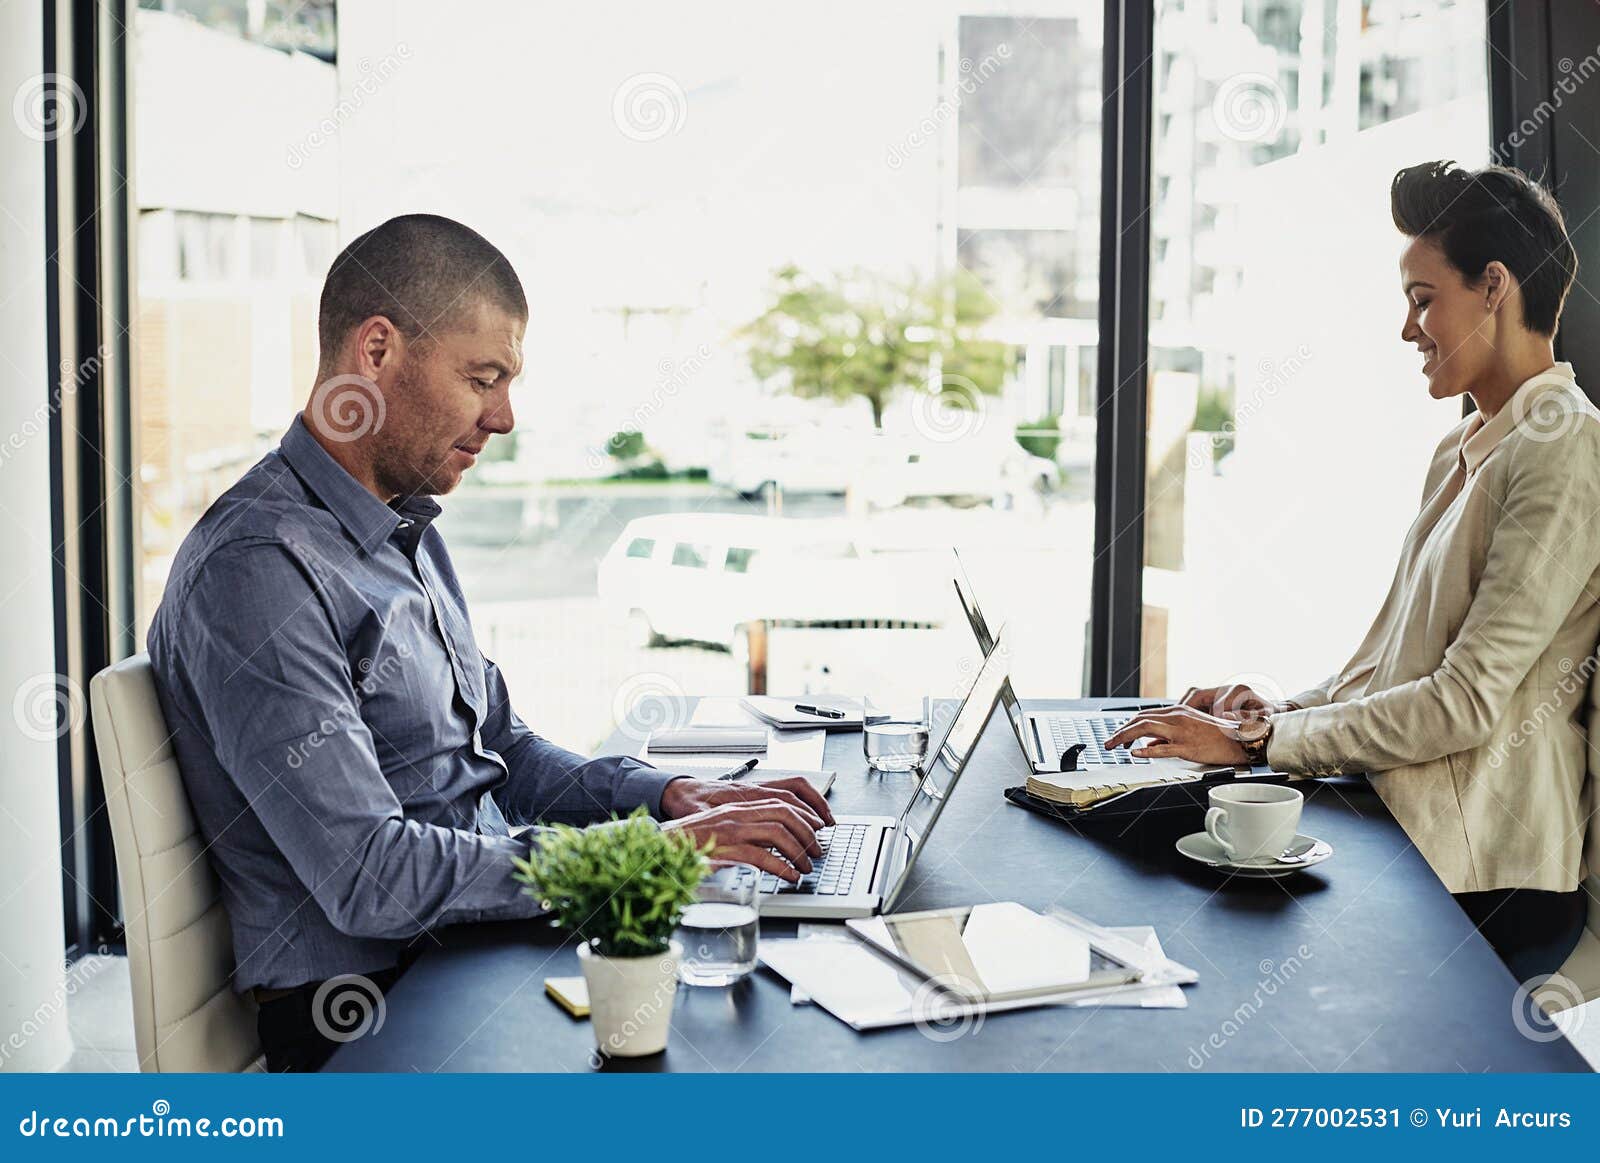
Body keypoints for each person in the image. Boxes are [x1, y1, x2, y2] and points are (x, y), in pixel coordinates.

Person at [147, 214, 831, 1071]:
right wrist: (636, 857)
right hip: (374, 1014)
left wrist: (670, 800)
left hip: (469, 951)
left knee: (758, 1009)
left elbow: (499, 749)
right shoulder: (258, 569)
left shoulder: (406, 530)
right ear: (377, 350)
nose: (503, 417)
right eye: (483, 377)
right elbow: (369, 874)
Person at [1105, 161, 1597, 982]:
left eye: (1421, 298)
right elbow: (1387, 667)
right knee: (1142, 832)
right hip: (1411, 830)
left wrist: (1258, 745)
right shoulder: (1465, 448)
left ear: (1494, 287)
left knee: (1209, 904)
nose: (1408, 329)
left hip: (1489, 874)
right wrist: (1276, 710)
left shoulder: (1562, 446)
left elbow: (1467, 701)